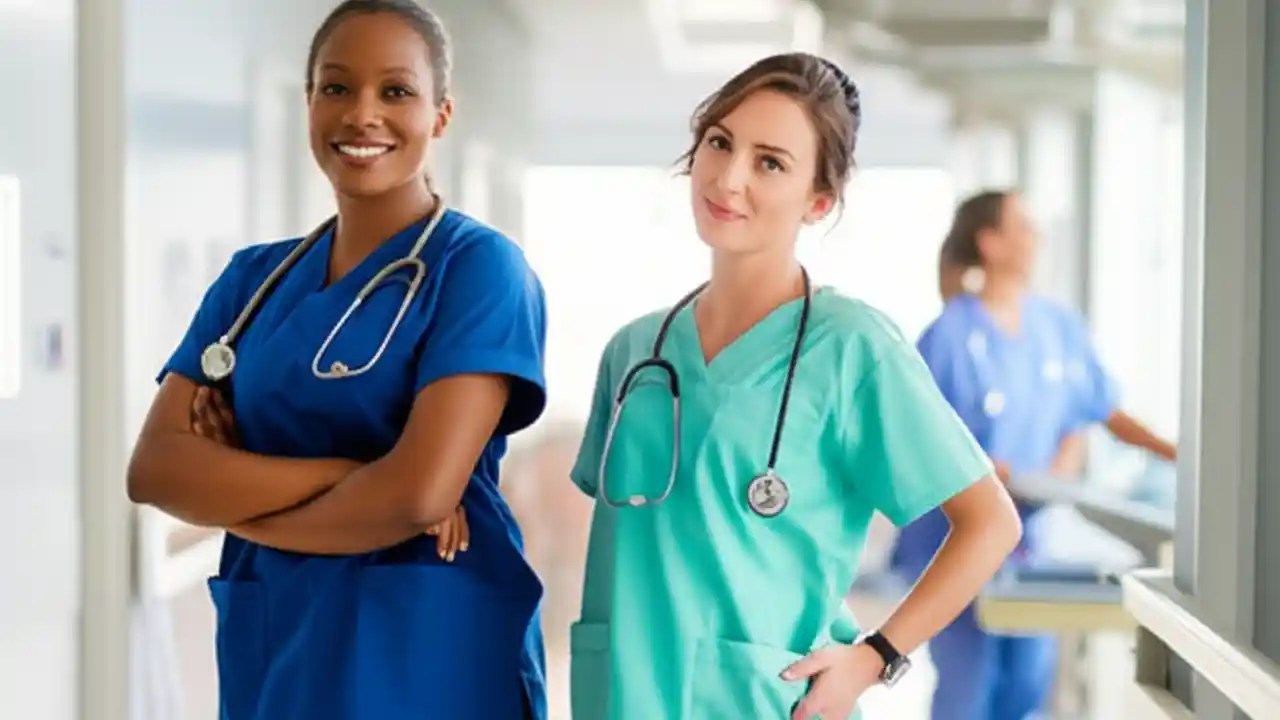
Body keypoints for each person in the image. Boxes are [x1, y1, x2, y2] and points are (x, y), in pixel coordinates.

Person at [565, 53, 1024, 720]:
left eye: (770, 163)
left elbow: (990, 524)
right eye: (719, 142)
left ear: (819, 201)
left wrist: (875, 657)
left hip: (767, 703)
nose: (729, 177)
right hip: (624, 699)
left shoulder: (852, 348)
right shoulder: (636, 352)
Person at [126, 2, 549, 718]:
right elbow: (155, 470)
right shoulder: (253, 282)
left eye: (396, 91)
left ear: (441, 115)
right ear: (309, 102)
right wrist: (350, 475)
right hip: (281, 648)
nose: (362, 114)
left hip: (429, 647)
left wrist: (238, 502)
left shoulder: (478, 269)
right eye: (337, 87)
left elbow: (418, 497)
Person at [893, 189, 1178, 720]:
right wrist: (979, 470)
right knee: (967, 692)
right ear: (990, 242)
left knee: (1026, 688)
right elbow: (918, 435)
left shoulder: (1057, 327)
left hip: (1032, 541)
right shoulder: (950, 334)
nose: (1036, 237)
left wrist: (1178, 454)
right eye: (1023, 226)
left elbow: (1091, 410)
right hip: (958, 541)